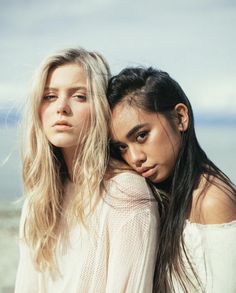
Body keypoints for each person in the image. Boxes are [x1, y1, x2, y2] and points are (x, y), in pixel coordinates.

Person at [14, 49, 160, 293]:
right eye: (49, 96)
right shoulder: (38, 199)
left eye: (79, 96)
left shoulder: (126, 194)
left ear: (102, 108)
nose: (61, 107)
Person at [107, 67, 236, 293]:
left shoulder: (213, 202)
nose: (135, 157)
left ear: (180, 118)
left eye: (142, 135)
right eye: (122, 147)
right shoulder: (164, 195)